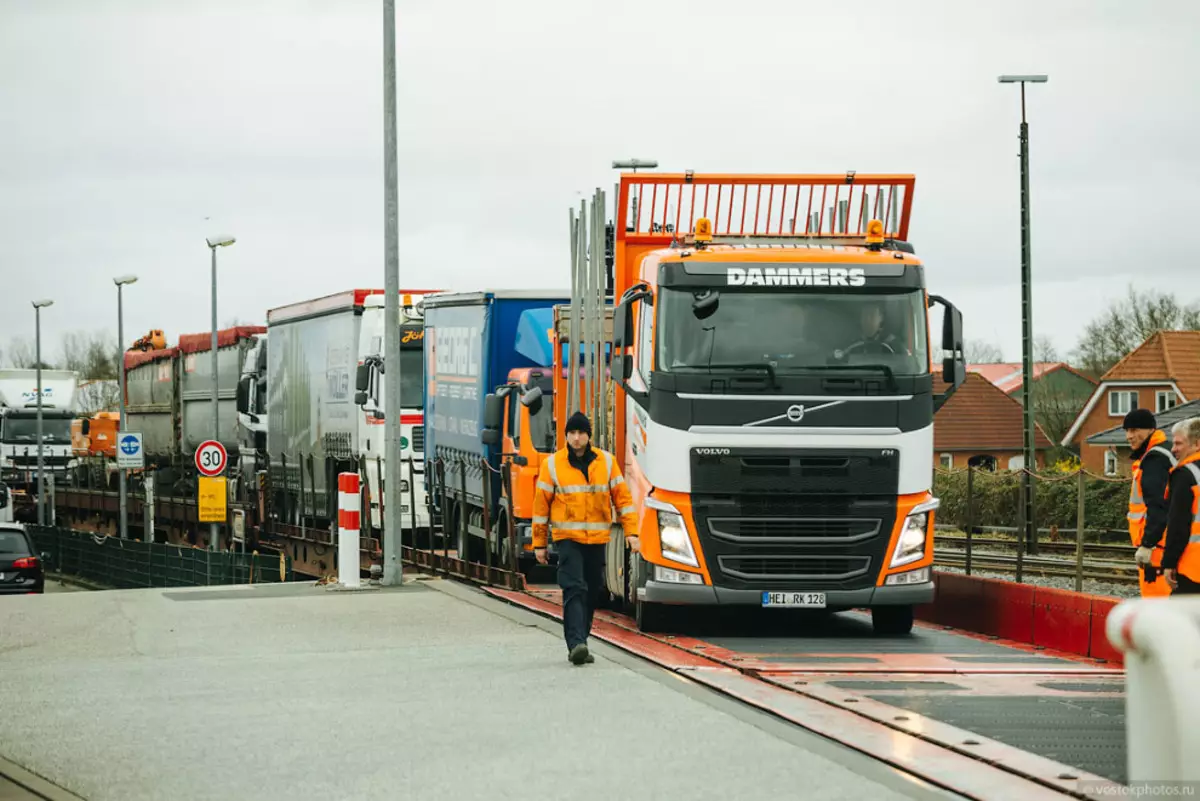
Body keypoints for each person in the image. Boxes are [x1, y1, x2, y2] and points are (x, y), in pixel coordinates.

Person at [532, 411, 640, 665]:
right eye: (572, 433)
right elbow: (540, 508)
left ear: (588, 436)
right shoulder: (553, 464)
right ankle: (576, 643)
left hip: (597, 538)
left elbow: (623, 500)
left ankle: (582, 639)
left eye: (581, 433)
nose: (576, 438)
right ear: (566, 436)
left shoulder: (606, 462)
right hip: (567, 538)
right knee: (574, 587)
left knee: (592, 591)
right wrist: (539, 544)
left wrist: (632, 533)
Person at [1123, 408, 1176, 597]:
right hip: (1168, 543)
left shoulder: (1154, 459)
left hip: (1158, 549)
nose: (1129, 436)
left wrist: (1148, 544)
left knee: (1157, 605)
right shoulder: (1167, 451)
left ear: (1150, 430)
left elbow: (1158, 506)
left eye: (1135, 430)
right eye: (1127, 431)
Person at [1162, 416, 1200, 595]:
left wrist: (1169, 562)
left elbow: (1178, 523)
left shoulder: (1185, 475)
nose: (1173, 449)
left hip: (1193, 567)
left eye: (1178, 444)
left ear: (1196, 444)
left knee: (1177, 619)